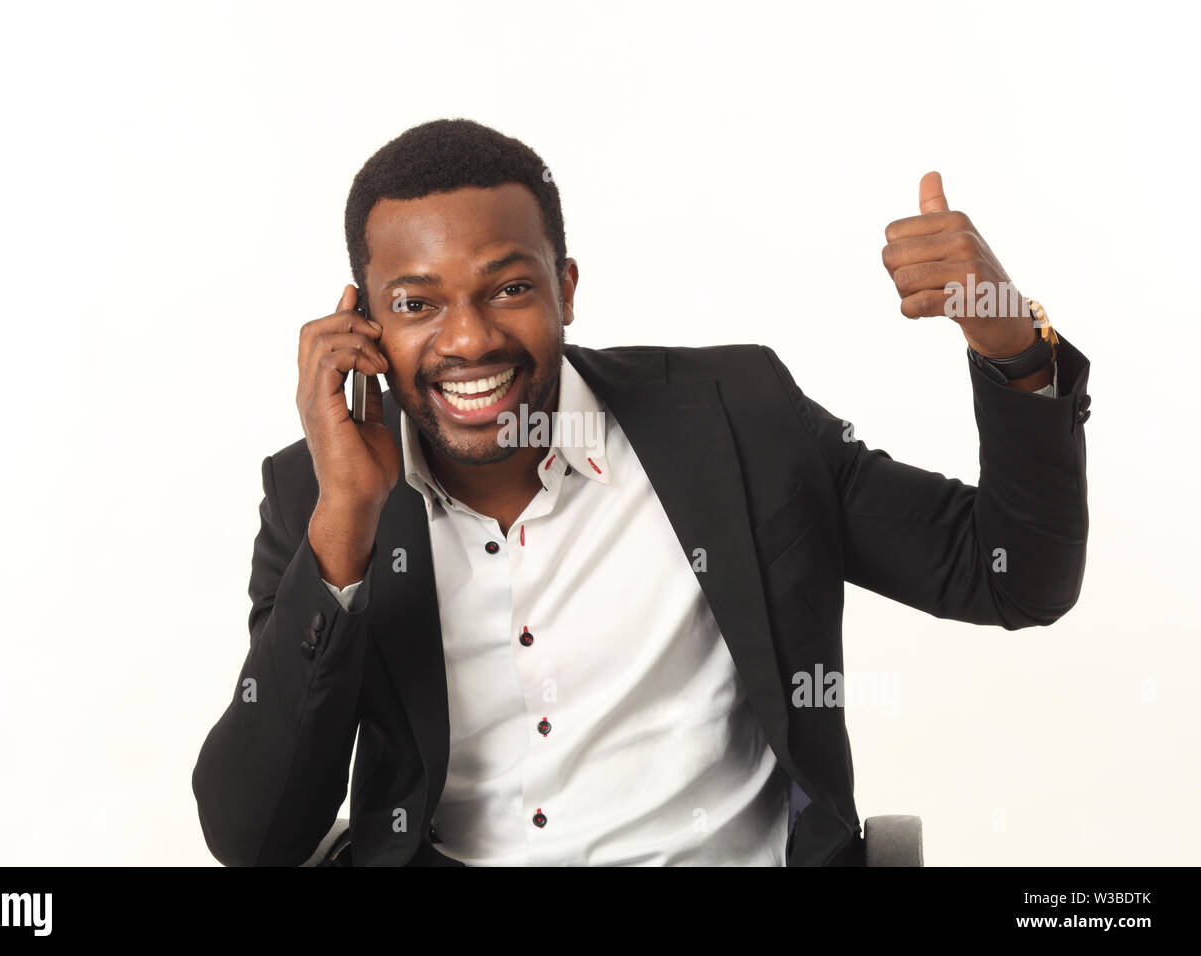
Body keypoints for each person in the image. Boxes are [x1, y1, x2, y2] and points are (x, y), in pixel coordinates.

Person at [191, 118, 1090, 866]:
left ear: (566, 288)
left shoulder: (735, 418)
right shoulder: (319, 493)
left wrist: (1012, 343)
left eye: (508, 287)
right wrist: (344, 519)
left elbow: (1009, 576)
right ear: (364, 325)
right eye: (417, 304)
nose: (468, 340)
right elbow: (256, 837)